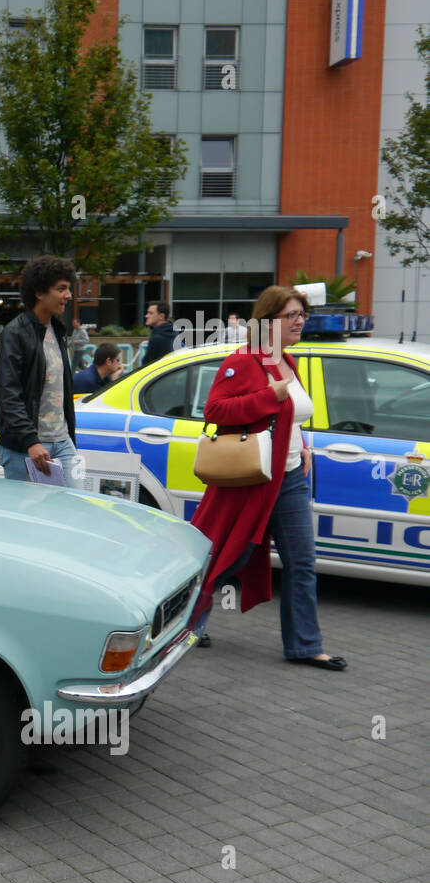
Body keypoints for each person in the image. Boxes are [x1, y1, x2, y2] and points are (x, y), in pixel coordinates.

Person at [189, 286, 345, 670]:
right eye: (291, 315)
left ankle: (305, 646)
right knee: (226, 556)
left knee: (302, 562)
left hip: (289, 477)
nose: (299, 321)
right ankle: (186, 624)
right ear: (267, 322)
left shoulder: (286, 362)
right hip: (254, 478)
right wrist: (268, 397)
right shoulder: (243, 361)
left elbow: (291, 414)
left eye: (302, 315)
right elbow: (215, 410)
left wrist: (303, 444)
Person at [0, 256, 84, 487]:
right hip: (24, 448)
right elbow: (9, 395)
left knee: (77, 507)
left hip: (62, 441)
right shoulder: (14, 334)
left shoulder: (58, 331)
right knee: (28, 519)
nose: (68, 295)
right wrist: (30, 441)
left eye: (68, 288)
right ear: (39, 293)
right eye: (61, 289)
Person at [140, 301, 178, 367]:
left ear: (161, 316)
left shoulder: (157, 339)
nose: (146, 316)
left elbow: (147, 366)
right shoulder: (174, 333)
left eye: (150, 313)